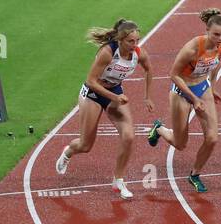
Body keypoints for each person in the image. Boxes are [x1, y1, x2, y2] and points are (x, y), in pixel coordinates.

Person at [55, 19, 155, 199]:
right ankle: (68, 152)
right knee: (85, 146)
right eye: (131, 41)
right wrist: (115, 97)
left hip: (114, 92)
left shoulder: (139, 54)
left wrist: (147, 96)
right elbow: (91, 81)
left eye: (137, 41)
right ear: (120, 40)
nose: (135, 45)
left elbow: (149, 70)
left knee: (129, 135)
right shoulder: (108, 53)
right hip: (92, 95)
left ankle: (118, 180)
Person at [147, 8, 221, 192]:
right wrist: (193, 99)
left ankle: (194, 174)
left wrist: (212, 87)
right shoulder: (192, 49)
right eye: (216, 34)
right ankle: (159, 129)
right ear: (207, 31)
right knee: (180, 144)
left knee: (212, 138)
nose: (220, 38)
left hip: (202, 88)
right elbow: (173, 75)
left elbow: (215, 65)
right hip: (181, 91)